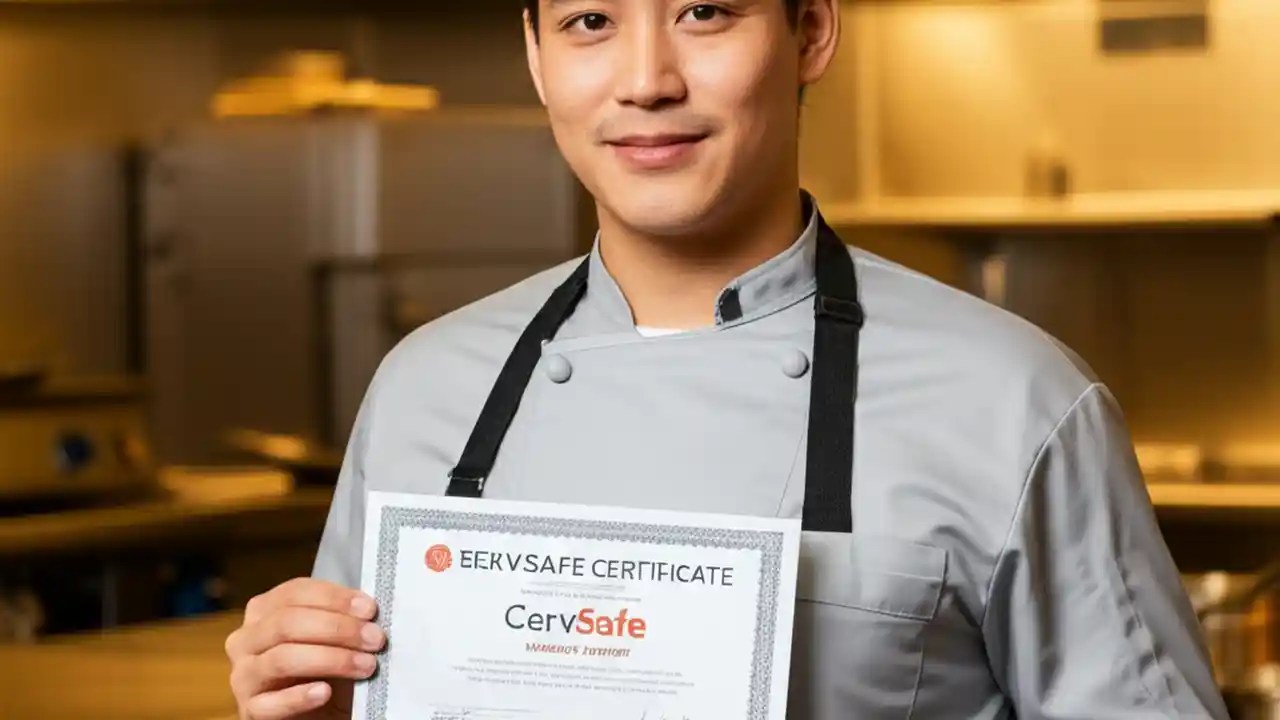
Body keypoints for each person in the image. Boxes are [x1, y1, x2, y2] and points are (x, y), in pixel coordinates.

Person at [225, 1, 1229, 718]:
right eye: (589, 23)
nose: (645, 79)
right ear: (534, 57)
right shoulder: (421, 390)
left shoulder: (1015, 400)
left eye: (705, 13)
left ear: (809, 33)